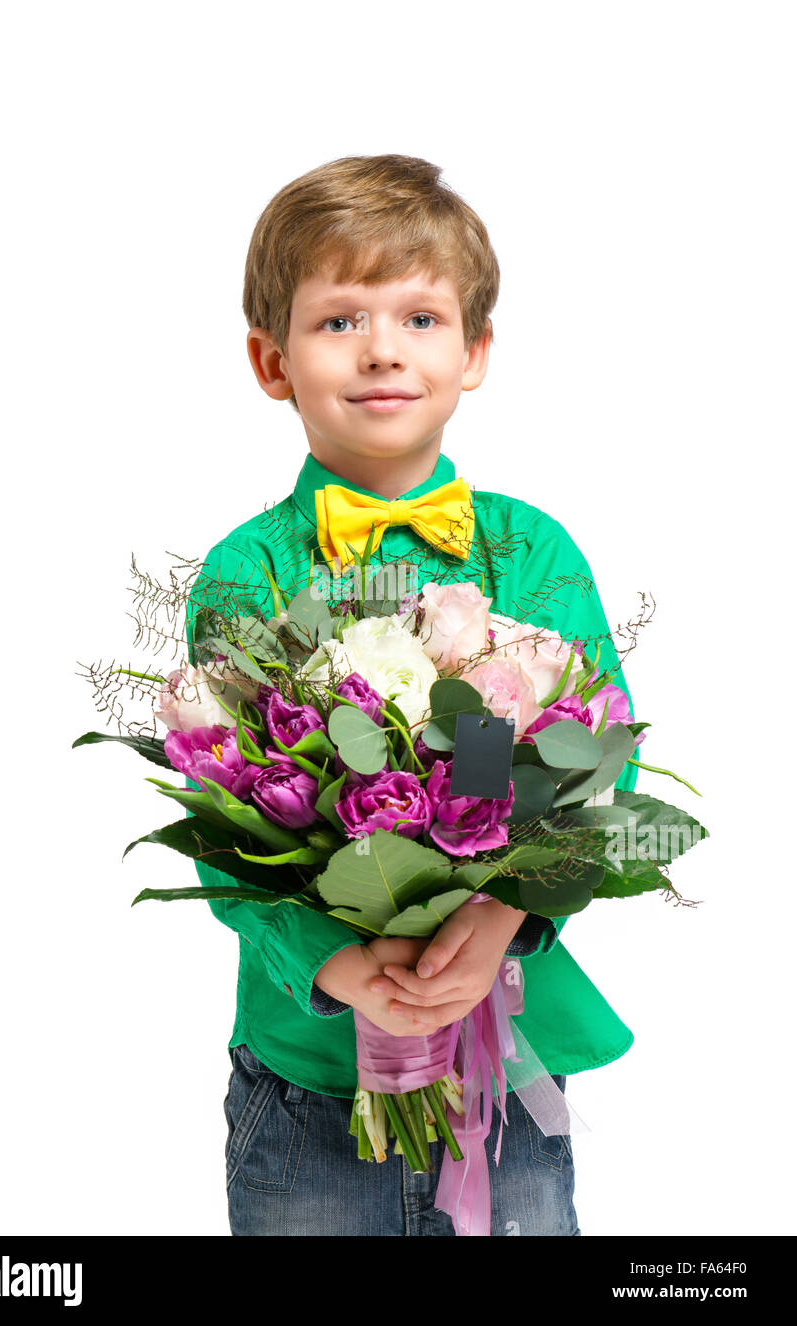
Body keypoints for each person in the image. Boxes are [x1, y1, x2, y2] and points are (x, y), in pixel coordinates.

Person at [184, 154, 639, 1237]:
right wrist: (339, 965)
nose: (383, 348)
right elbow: (222, 814)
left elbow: (593, 758)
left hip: (500, 1067)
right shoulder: (249, 572)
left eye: (421, 317)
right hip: (306, 1081)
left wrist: (493, 921)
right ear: (269, 359)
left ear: (474, 351)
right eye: (338, 320)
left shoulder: (527, 552)